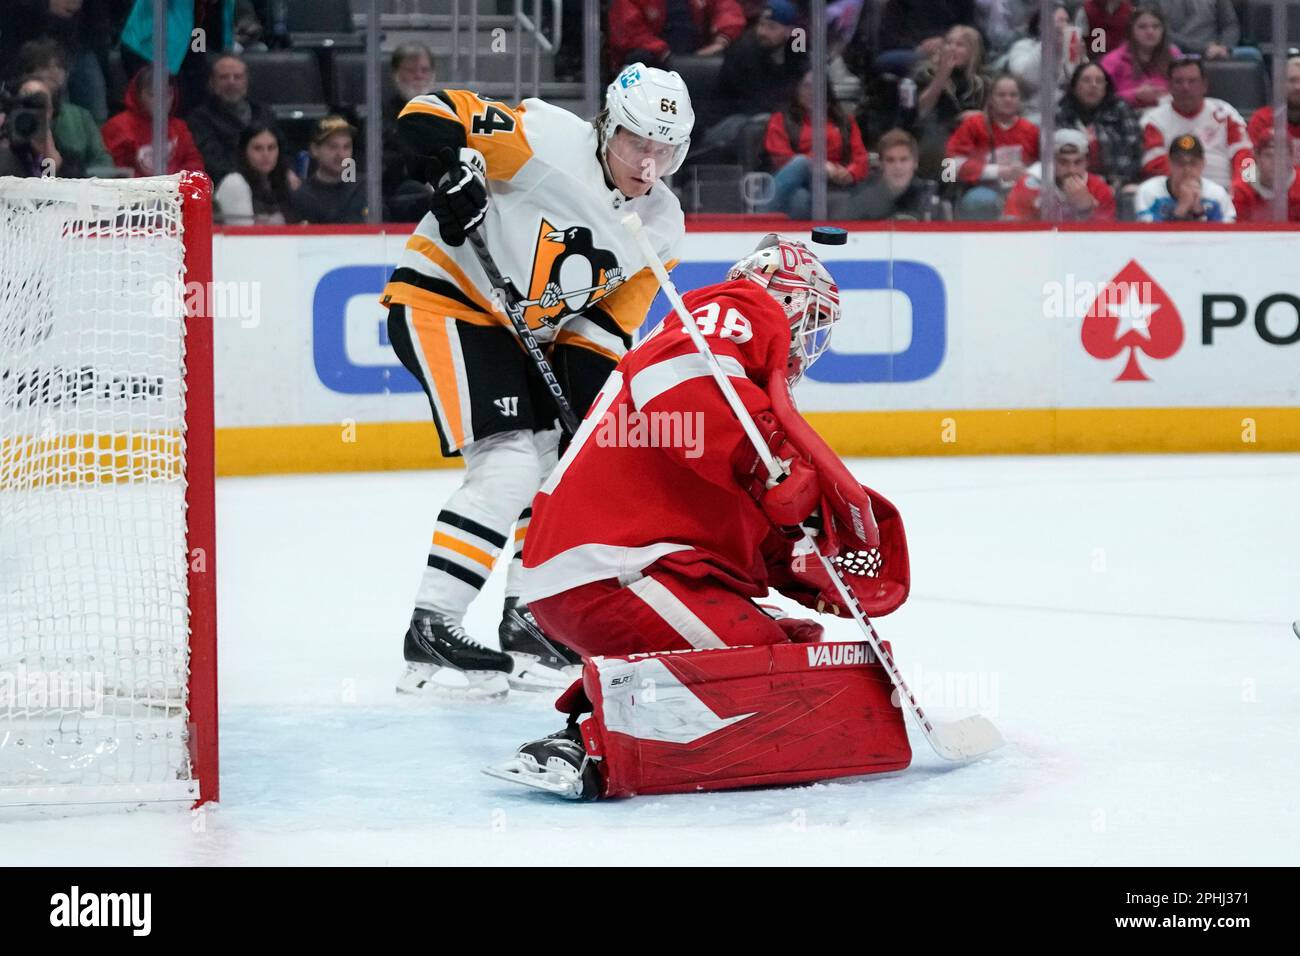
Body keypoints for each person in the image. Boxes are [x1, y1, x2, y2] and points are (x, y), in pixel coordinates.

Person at [492, 235, 909, 799]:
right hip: (612, 569)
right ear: (784, 299)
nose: (809, 344)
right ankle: (584, 742)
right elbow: (674, 383)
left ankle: (600, 711)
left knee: (783, 649)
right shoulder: (736, 309)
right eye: (811, 318)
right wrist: (765, 456)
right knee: (779, 681)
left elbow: (742, 513)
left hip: (618, 571)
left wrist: (797, 562)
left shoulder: (737, 399)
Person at [380, 64, 694, 698]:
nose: (649, 165)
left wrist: (584, 426)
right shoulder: (547, 139)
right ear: (607, 127)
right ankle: (433, 625)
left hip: (526, 333)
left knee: (555, 466)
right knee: (508, 465)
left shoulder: (663, 225)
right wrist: (450, 171)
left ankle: (527, 621)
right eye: (637, 143)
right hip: (445, 299)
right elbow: (427, 111)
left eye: (667, 150)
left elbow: (601, 331)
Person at [762, 69, 870, 218]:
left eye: (817, 86)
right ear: (797, 89)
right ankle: (758, 222)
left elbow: (861, 158)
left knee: (801, 195)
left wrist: (849, 173)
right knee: (800, 194)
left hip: (833, 181)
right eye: (806, 86)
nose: (811, 91)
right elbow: (781, 159)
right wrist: (817, 164)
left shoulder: (845, 121)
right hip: (798, 181)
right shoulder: (781, 119)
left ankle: (758, 221)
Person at [1139, 55, 1251, 189]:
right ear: (1169, 86)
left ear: (1204, 85)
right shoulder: (1153, 120)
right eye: (1178, 81)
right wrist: (1190, 188)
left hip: (1229, 193)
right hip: (1176, 192)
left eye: (1192, 81)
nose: (1185, 87)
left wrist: (1245, 187)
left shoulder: (1225, 112)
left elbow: (1247, 156)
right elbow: (1153, 164)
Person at [945, 73, 1039, 219]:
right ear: (990, 99)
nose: (1008, 99)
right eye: (1001, 95)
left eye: (1013, 95)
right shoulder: (973, 125)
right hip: (981, 191)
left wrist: (1026, 173)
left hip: (1021, 191)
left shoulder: (1031, 130)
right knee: (979, 200)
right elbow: (948, 168)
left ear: (1020, 100)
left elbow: (1044, 167)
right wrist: (998, 171)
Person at [16, 39, 111, 176]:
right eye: (45, 66)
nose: (54, 72)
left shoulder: (81, 116)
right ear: (28, 72)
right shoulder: (9, 115)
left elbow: (103, 164)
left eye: (59, 66)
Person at [186, 52, 279, 187]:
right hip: (225, 186)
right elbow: (214, 162)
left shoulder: (264, 113)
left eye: (238, 77)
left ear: (246, 80)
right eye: (224, 77)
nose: (231, 82)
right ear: (212, 82)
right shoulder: (199, 119)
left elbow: (283, 150)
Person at [911, 24, 989, 178]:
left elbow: (994, 116)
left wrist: (979, 115)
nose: (952, 48)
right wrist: (942, 75)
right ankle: (947, 189)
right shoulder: (925, 73)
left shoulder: (982, 82)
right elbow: (922, 110)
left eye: (960, 45)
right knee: (949, 151)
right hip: (934, 133)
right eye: (949, 43)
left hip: (970, 135)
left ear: (972, 52)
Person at [99, 66, 205, 177]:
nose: (162, 100)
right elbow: (117, 170)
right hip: (134, 191)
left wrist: (180, 183)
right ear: (138, 95)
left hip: (175, 190)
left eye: (168, 93)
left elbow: (194, 161)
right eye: (153, 94)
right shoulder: (117, 127)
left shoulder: (179, 127)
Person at [1056, 61, 1143, 191]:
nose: (1093, 85)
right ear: (1074, 86)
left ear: (1106, 88)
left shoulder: (1120, 109)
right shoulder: (1060, 113)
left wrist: (1115, 182)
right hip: (1069, 183)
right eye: (1086, 80)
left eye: (1099, 81)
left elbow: (1134, 148)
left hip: (1117, 182)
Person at [715, 0, 808, 117]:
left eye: (772, 27)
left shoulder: (797, 47)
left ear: (790, 31)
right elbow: (753, 101)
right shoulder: (744, 52)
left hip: (781, 118)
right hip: (738, 118)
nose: (762, 32)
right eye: (761, 24)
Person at [1004, 127, 1117, 220]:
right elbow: (1011, 229)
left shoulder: (1100, 189)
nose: (1071, 170)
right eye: (1063, 162)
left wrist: (1086, 209)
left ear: (1086, 162)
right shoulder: (1029, 184)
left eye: (1078, 162)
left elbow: (1107, 239)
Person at [606, 0, 747, 68]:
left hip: (698, 53)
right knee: (638, 58)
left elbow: (727, 8)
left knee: (741, 52)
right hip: (655, 56)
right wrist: (664, 53)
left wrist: (721, 41)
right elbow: (628, 31)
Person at [1004, 3, 1080, 124]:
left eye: (1067, 21)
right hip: (1029, 114)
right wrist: (1048, 43)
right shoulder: (1023, 47)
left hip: (1063, 116)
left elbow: (1075, 84)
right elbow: (1027, 77)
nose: (1064, 25)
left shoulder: (1070, 52)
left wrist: (1081, 57)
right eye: (1060, 20)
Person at [1134, 133, 1236, 220]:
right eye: (1180, 163)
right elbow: (1149, 236)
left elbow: (1226, 236)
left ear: (1203, 164)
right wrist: (1181, 209)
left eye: (1193, 163)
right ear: (1169, 163)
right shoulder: (1149, 192)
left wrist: (1198, 211)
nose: (1187, 169)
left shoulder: (1217, 195)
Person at [214, 123, 300, 224]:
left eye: (271, 148)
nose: (266, 154)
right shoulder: (234, 183)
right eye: (258, 148)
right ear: (244, 152)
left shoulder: (282, 181)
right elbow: (243, 235)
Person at [848, 127, 941, 219]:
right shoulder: (862, 200)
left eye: (904, 160)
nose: (898, 167)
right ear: (880, 164)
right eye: (890, 160)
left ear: (915, 162)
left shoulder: (927, 198)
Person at [1100, 5, 1180, 109]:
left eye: (1156, 27)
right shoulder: (1113, 60)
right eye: (1142, 27)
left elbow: (1189, 87)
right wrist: (1136, 95)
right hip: (1127, 115)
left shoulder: (1174, 55)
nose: (1150, 31)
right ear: (1131, 30)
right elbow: (1101, 99)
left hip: (1169, 112)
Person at [290, 115, 367, 224]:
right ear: (314, 149)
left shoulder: (366, 189)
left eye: (347, 147)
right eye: (333, 147)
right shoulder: (301, 197)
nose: (341, 154)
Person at [1231, 129, 1300, 221]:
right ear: (1256, 156)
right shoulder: (1241, 188)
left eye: (1282, 156)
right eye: (1269, 155)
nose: (1276, 162)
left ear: (1291, 158)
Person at [1247, 56, 1300, 168]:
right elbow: (1249, 161)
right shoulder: (1262, 119)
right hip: (1273, 184)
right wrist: (1248, 185)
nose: (1297, 87)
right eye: (1292, 80)